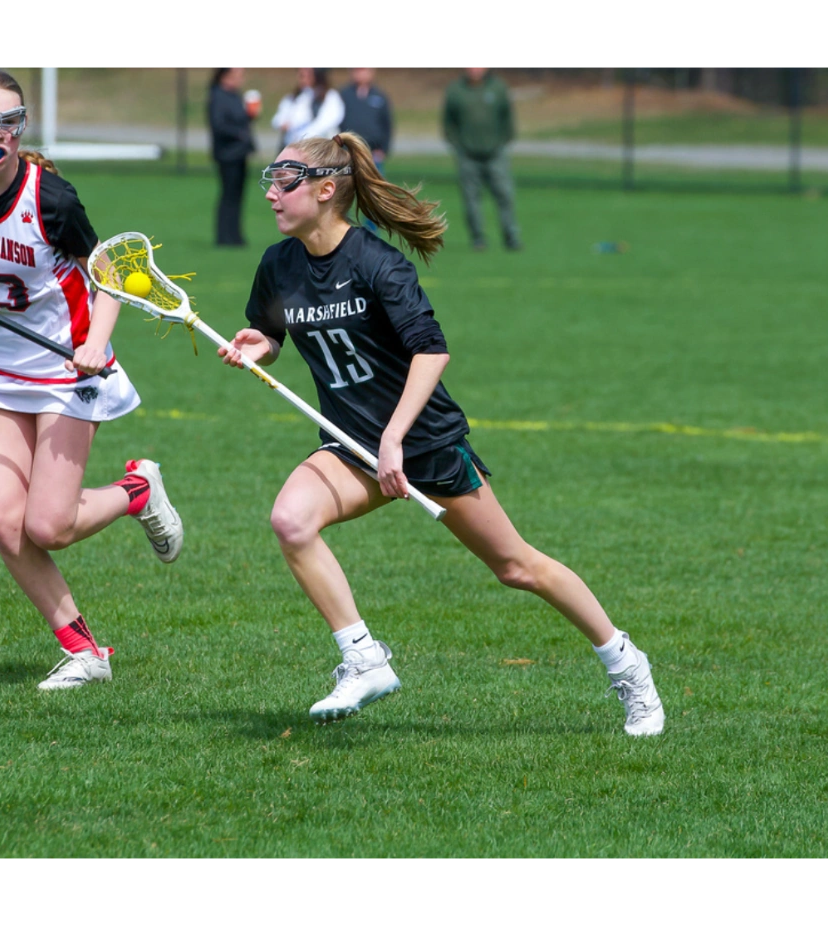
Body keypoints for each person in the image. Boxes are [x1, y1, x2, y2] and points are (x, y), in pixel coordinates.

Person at [218, 132, 664, 736]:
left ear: (326, 190)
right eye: (270, 180)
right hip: (351, 447)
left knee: (517, 567)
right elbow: (271, 330)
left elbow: (431, 351)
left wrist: (395, 439)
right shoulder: (279, 264)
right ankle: (364, 658)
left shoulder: (377, 263)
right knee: (291, 521)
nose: (270, 192)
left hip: (422, 444)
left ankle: (626, 664)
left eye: (284, 181)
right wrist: (260, 346)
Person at [0, 69, 185, 691]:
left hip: (69, 367)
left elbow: (112, 272)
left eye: (9, 122)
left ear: (21, 129)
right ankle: (85, 650)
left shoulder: (52, 197)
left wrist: (96, 343)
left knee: (49, 527)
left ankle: (136, 492)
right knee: (1, 519)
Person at [443, 65, 522, 252]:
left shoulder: (498, 88)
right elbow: (448, 122)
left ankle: (511, 237)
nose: (475, 69)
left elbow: (507, 118)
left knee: (505, 194)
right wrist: (458, 145)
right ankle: (478, 239)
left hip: (495, 153)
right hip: (467, 155)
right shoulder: (456, 90)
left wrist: (503, 142)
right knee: (471, 198)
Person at [338, 65, 392, 233]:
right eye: (357, 69)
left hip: (371, 155)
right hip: (347, 153)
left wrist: (384, 149)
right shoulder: (343, 96)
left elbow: (387, 125)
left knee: (373, 197)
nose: (360, 73)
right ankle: (341, 232)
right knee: (342, 195)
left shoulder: (379, 97)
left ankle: (371, 235)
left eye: (364, 69)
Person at [208, 65, 257, 247]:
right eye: (238, 75)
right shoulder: (218, 96)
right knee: (228, 195)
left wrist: (250, 116)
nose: (240, 79)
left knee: (237, 195)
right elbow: (218, 124)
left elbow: (240, 119)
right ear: (225, 76)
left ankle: (235, 235)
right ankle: (224, 236)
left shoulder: (235, 95)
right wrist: (239, 134)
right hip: (228, 154)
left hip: (240, 152)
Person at [271, 65, 344, 147]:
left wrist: (303, 136)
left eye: (307, 73)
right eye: (300, 73)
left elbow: (326, 122)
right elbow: (279, 119)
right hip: (294, 145)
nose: (301, 76)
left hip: (320, 147)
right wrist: (284, 124)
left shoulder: (330, 96)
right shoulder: (297, 96)